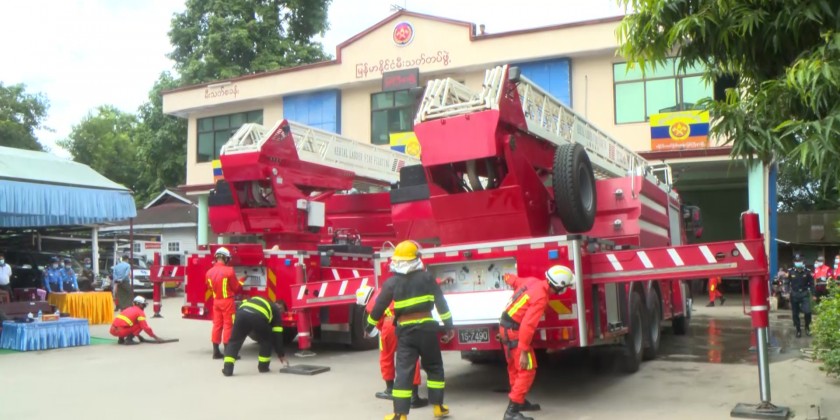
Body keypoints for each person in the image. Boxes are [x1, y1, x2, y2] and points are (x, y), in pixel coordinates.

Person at [366, 240, 454, 420]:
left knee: (404, 372)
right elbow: (441, 304)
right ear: (416, 258)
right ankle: (438, 406)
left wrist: (369, 326)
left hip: (406, 333)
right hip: (428, 331)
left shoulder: (392, 283)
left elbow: (378, 307)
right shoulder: (428, 278)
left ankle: (400, 415)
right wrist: (448, 327)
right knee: (435, 367)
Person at [498, 266, 573, 420]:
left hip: (504, 328)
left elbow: (514, 280)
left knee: (514, 368)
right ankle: (511, 412)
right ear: (559, 286)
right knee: (527, 369)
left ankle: (520, 402)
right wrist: (524, 350)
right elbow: (528, 325)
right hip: (515, 332)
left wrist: (505, 277)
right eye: (565, 286)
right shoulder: (541, 297)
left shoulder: (533, 282)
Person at [356, 285, 428, 408]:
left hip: (388, 326)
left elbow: (377, 323)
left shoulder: (370, 306)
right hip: (403, 321)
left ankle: (389, 389)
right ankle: (414, 396)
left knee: (386, 357)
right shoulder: (383, 290)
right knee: (411, 356)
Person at [222, 296, 288, 377]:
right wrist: (281, 354)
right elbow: (277, 335)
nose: (281, 313)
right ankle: (263, 367)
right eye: (282, 310)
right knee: (266, 340)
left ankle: (228, 369)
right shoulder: (276, 310)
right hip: (258, 318)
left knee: (234, 342)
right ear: (279, 305)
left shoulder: (258, 299)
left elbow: (241, 305)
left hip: (241, 314)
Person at [205, 247, 243, 359]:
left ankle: (216, 352)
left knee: (217, 325)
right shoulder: (229, 271)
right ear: (226, 258)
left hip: (216, 301)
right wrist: (242, 280)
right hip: (227, 302)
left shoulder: (209, 272)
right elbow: (236, 288)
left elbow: (210, 288)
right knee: (228, 325)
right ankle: (228, 352)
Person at [787, 254, 815, 338]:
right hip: (794, 294)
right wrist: (787, 292)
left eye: (799, 261)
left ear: (803, 262)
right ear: (794, 262)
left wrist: (813, 294)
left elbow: (812, 283)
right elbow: (787, 283)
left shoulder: (807, 271)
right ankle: (798, 329)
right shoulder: (791, 271)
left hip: (804, 294)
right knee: (795, 314)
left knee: (807, 312)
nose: (798, 263)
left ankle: (807, 327)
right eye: (797, 261)